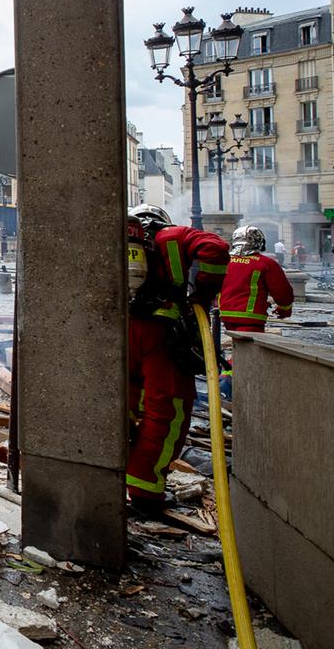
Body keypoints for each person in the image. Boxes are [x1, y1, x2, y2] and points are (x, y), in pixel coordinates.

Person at [126, 204, 230, 510]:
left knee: (124, 402)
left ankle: (114, 470)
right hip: (163, 335)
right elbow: (215, 249)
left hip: (122, 331)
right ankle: (145, 488)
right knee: (167, 411)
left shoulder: (117, 238)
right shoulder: (175, 236)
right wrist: (203, 293)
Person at [220, 225, 293, 333]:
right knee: (249, 344)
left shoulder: (224, 261)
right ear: (259, 242)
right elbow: (282, 291)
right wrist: (284, 309)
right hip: (252, 317)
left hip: (226, 314)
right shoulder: (266, 263)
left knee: (235, 341)